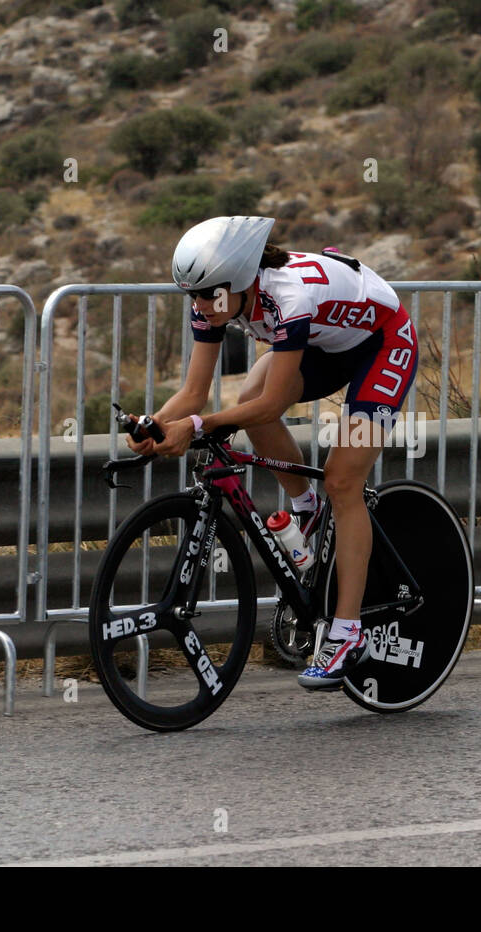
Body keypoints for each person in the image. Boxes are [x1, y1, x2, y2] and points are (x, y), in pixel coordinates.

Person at [127, 216, 418, 689]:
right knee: (245, 401)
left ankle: (346, 634)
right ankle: (307, 508)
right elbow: (195, 391)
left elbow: (273, 406)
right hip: (329, 346)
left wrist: (197, 426)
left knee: (343, 480)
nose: (200, 306)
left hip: (384, 344)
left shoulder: (290, 297)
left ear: (241, 280)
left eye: (208, 295)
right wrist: (155, 424)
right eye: (192, 296)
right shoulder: (217, 297)